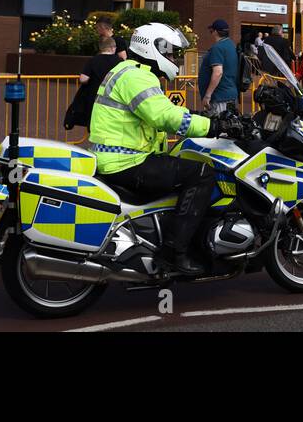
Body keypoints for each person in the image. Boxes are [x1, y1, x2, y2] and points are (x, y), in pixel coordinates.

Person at [91, 22, 235, 275]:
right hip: (126, 162)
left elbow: (162, 111)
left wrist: (195, 115)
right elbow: (163, 117)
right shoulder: (137, 76)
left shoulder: (127, 70)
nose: (172, 59)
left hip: (115, 158)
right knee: (201, 174)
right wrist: (213, 126)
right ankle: (173, 252)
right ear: (152, 49)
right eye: (168, 53)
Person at [64, 36, 121, 130]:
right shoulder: (119, 61)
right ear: (112, 47)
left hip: (95, 97)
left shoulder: (93, 60)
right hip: (114, 97)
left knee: (94, 123)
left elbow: (83, 79)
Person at [197, 19, 239, 114]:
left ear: (215, 32)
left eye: (211, 31)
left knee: (219, 126)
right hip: (230, 94)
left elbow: (218, 72)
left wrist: (208, 95)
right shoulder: (231, 45)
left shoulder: (218, 48)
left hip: (219, 97)